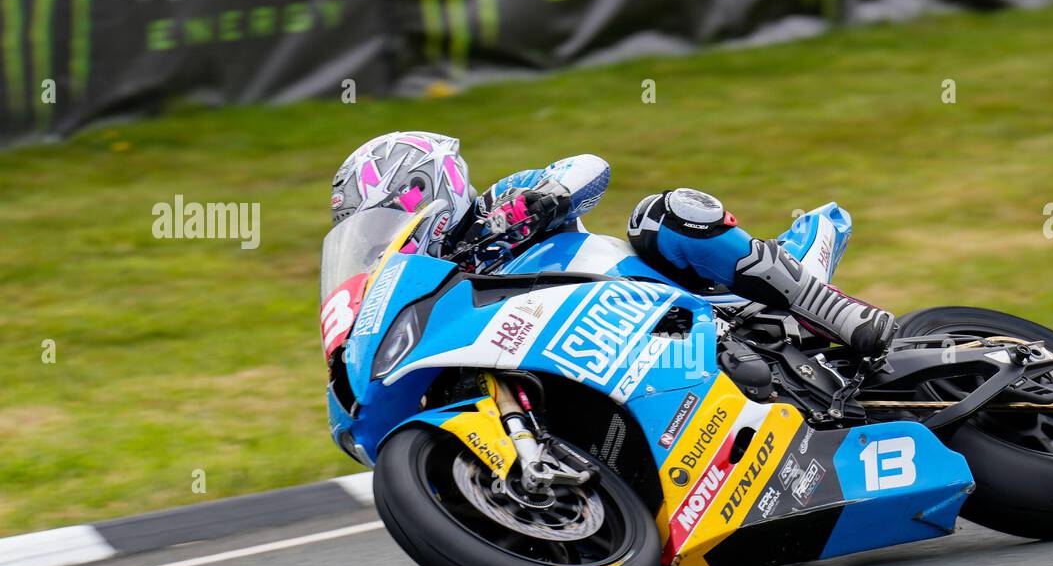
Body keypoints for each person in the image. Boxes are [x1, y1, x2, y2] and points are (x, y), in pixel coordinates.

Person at [329, 131, 895, 356]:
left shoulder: (497, 203)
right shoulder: (425, 291)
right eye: (369, 225)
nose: (386, 232)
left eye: (391, 210)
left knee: (662, 215)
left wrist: (542, 200)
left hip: (654, 301)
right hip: (576, 355)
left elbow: (589, 167)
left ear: (430, 185)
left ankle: (829, 308)